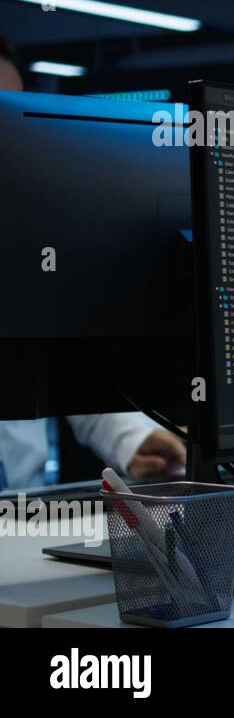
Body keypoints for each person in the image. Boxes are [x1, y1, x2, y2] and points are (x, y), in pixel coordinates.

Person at [0, 37, 187, 490]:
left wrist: (135, 438)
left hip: (20, 516)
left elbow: (65, 371)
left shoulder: (30, 235)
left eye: (10, 117)